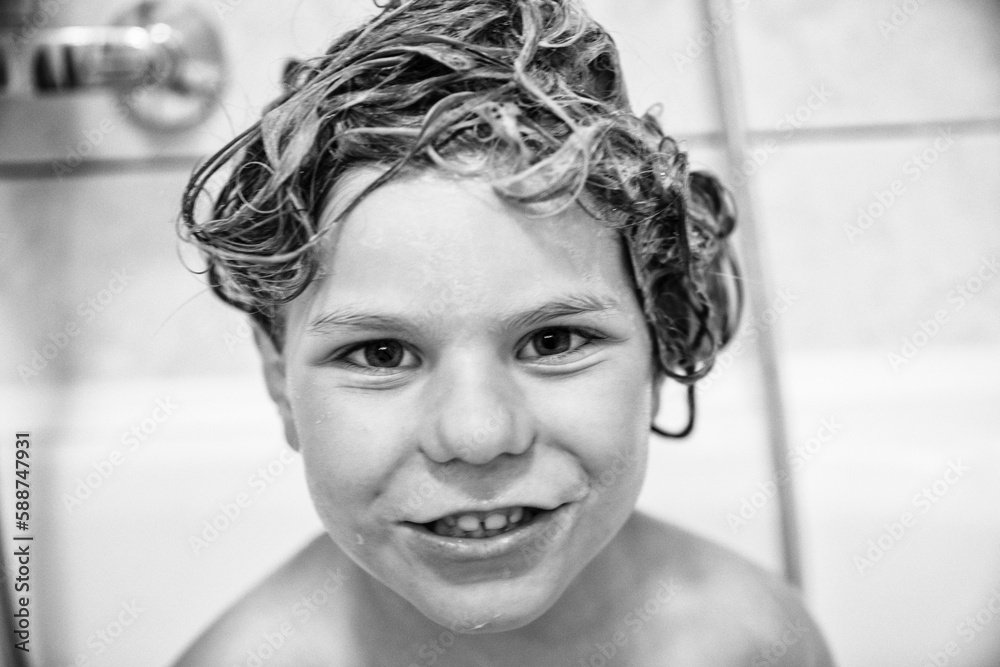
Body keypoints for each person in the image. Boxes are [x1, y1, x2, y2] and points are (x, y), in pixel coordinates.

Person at [173, 0, 835, 664]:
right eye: (381, 353)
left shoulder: (746, 640)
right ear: (278, 380)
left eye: (553, 341)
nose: (478, 434)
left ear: (662, 342)